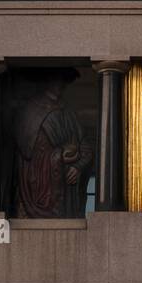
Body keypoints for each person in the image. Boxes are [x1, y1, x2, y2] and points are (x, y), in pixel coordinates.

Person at [12, 69, 93, 218]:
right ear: (46, 81)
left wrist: (77, 166)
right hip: (40, 188)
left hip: (67, 192)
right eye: (55, 79)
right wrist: (59, 155)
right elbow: (27, 153)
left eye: (63, 81)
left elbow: (85, 146)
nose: (60, 84)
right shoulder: (31, 111)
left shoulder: (68, 113)